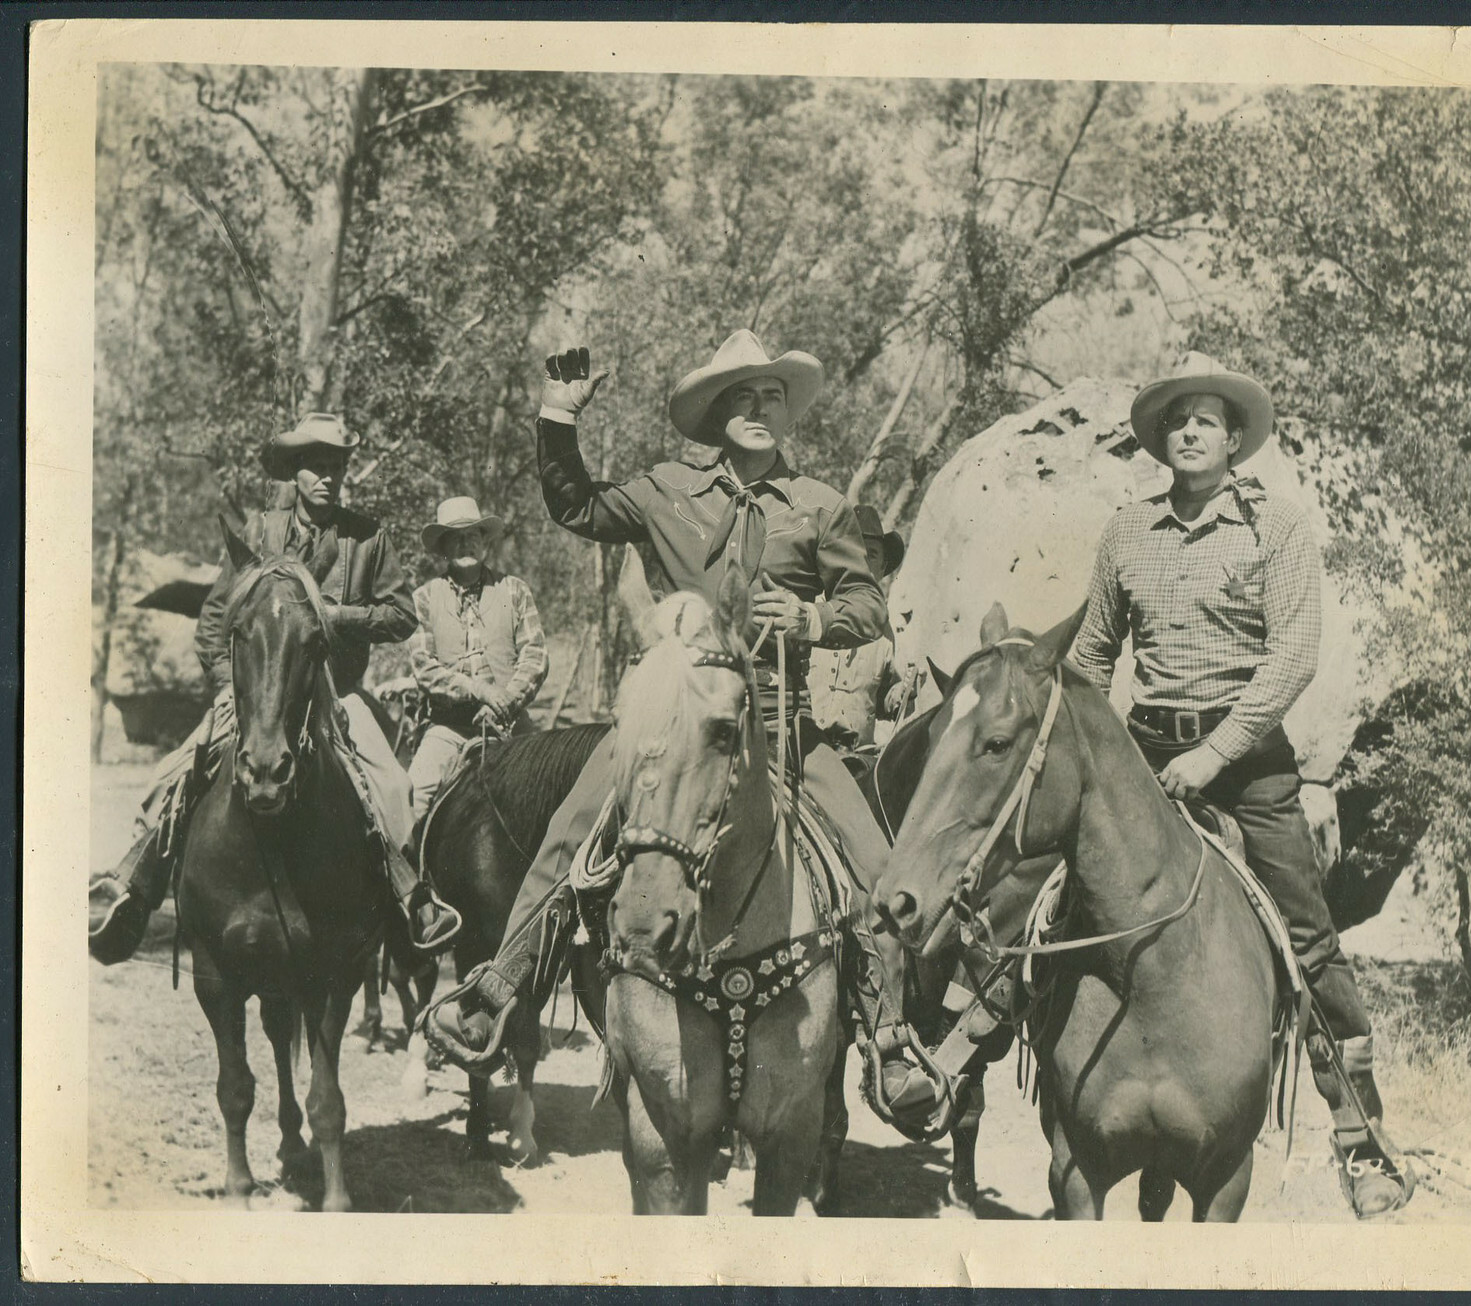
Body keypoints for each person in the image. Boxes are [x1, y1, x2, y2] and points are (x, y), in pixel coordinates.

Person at [426, 331, 941, 1131]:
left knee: (875, 868)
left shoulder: (822, 505)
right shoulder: (666, 490)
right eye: (743, 396)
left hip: (776, 721)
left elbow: (868, 606)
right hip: (667, 716)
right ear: (715, 414)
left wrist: (811, 616)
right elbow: (577, 506)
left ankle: (889, 1038)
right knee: (569, 834)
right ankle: (496, 990)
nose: (761, 409)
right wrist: (557, 421)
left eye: (772, 396)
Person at [1068, 351, 1410, 1216]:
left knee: (1307, 931)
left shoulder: (1278, 527)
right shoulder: (1126, 532)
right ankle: (957, 1063)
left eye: (1206, 421)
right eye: (1177, 419)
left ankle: (1362, 1139)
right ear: (1159, 439)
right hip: (1143, 754)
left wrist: (1216, 755)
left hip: (1248, 762)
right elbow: (1091, 655)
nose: (1189, 431)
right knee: (1049, 897)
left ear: (1233, 440)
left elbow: (1293, 654)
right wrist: (1094, 746)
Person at [88, 413, 461, 963]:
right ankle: (131, 888)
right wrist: (226, 685)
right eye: (314, 466)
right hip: (257, 694)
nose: (326, 477)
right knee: (177, 768)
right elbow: (215, 620)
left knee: (392, 786)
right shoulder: (258, 534)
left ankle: (410, 904)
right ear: (294, 471)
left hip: (336, 695)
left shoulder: (366, 538)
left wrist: (337, 616)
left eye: (335, 466)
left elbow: (402, 616)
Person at [407, 496, 550, 822]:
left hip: (512, 724)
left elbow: (536, 656)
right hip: (449, 727)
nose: (465, 543)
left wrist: (505, 702)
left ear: (485, 541)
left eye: (472, 534)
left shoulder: (514, 590)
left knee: (550, 799)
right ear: (443, 548)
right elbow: (424, 668)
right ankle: (407, 872)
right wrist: (479, 691)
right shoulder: (424, 598)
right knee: (411, 796)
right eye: (455, 537)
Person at [808, 504, 906, 751]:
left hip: (857, 757)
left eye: (871, 555)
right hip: (804, 750)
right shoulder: (808, 612)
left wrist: (900, 694)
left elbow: (884, 698)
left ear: (883, 568)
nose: (861, 561)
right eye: (853, 552)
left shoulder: (886, 634)